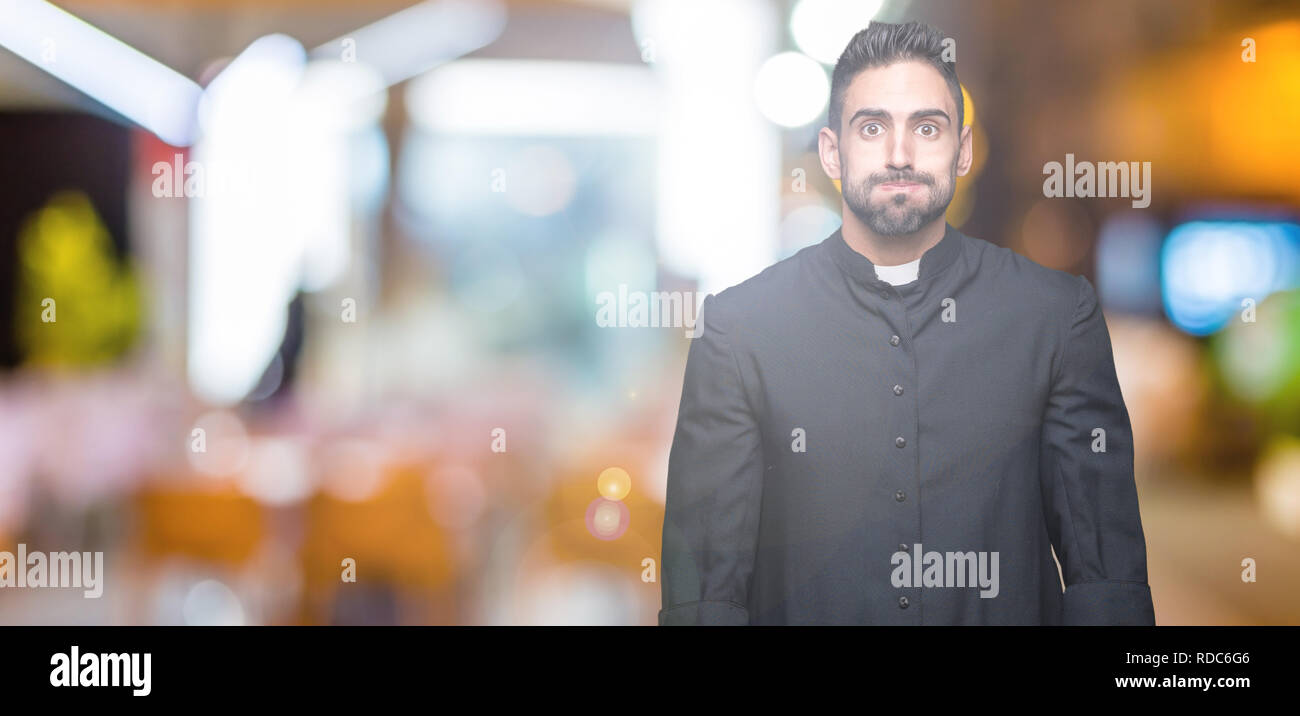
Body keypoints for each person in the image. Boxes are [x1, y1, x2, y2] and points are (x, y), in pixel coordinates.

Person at [659, 20, 1155, 625]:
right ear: (832, 152)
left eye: (927, 127)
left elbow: (1108, 580)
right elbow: (704, 596)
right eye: (872, 128)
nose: (900, 155)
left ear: (963, 150)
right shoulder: (739, 331)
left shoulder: (1054, 317)